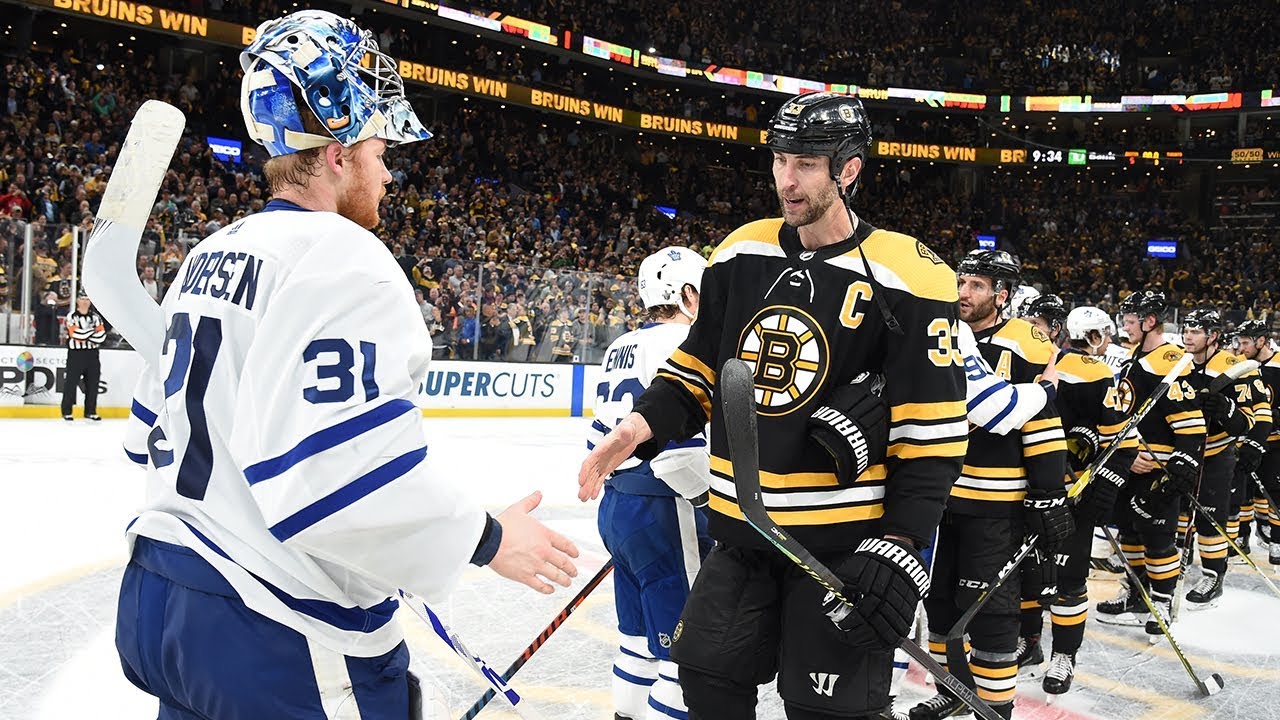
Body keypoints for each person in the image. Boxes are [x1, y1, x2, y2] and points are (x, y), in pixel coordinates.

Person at [112, 11, 578, 719]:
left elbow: (148, 429)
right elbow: (339, 484)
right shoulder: (343, 257)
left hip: (161, 598)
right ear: (337, 155)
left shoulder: (212, 251)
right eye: (379, 151)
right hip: (275, 628)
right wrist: (485, 537)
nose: (388, 173)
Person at [580, 92, 968, 720]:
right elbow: (697, 368)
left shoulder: (911, 274)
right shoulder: (739, 253)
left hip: (841, 548)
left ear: (849, 169)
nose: (787, 179)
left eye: (808, 163)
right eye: (781, 159)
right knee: (703, 686)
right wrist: (639, 426)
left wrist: (902, 546)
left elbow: (935, 433)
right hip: (741, 535)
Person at [915, 251, 1071, 720]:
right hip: (939, 500)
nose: (963, 291)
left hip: (995, 505)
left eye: (976, 285)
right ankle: (954, 691)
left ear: (1002, 295)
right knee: (939, 604)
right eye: (961, 281)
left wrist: (1047, 492)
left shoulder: (1027, 343)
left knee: (990, 611)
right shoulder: (943, 333)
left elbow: (1043, 423)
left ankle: (995, 706)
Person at [590, 246, 714, 720]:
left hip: (620, 507)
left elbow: (599, 439)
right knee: (688, 655)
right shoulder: (680, 345)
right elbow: (680, 455)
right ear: (687, 294)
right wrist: (714, 507)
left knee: (638, 642)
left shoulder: (620, 346)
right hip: (669, 509)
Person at [1015, 296, 1136, 696]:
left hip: (1047, 489)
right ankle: (1041, 646)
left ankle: (1047, 649)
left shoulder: (1078, 369)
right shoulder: (1092, 371)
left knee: (1048, 575)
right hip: (1046, 490)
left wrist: (1106, 485)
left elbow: (1118, 442)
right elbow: (1122, 441)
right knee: (1043, 574)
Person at [1095, 290, 1204, 638]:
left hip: (1158, 464)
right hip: (1129, 461)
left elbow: (1190, 421)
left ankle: (1161, 600)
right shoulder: (1132, 359)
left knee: (1158, 539)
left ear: (1150, 321)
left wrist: (1180, 467)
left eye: (1129, 321)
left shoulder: (1168, 360)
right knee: (1129, 533)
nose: (1124, 327)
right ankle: (1137, 593)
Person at [1177, 309, 1269, 608]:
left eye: (1195, 331)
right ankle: (1175, 560)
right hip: (1183, 452)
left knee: (1209, 516)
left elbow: (1253, 418)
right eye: (1186, 330)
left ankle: (1213, 575)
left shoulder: (1233, 366)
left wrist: (1225, 410)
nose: (1188, 336)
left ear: (1213, 336)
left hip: (1216, 453)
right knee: (1177, 512)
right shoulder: (1180, 361)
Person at [1233, 319, 1280, 564]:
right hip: (1246, 441)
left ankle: (1278, 541)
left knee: (1275, 491)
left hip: (1275, 442)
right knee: (1243, 492)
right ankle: (1242, 537)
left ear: (1262, 341)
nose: (1241, 348)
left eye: (1245, 342)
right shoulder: (1241, 366)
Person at [62, 291, 106, 420]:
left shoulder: (96, 317)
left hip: (92, 355)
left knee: (93, 383)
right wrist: (92, 331)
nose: (85, 301)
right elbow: (75, 335)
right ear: (77, 301)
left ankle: (90, 411)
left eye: (88, 299)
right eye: (83, 299)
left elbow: (101, 337)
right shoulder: (71, 316)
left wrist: (85, 334)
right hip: (76, 354)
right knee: (71, 383)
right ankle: (67, 411)